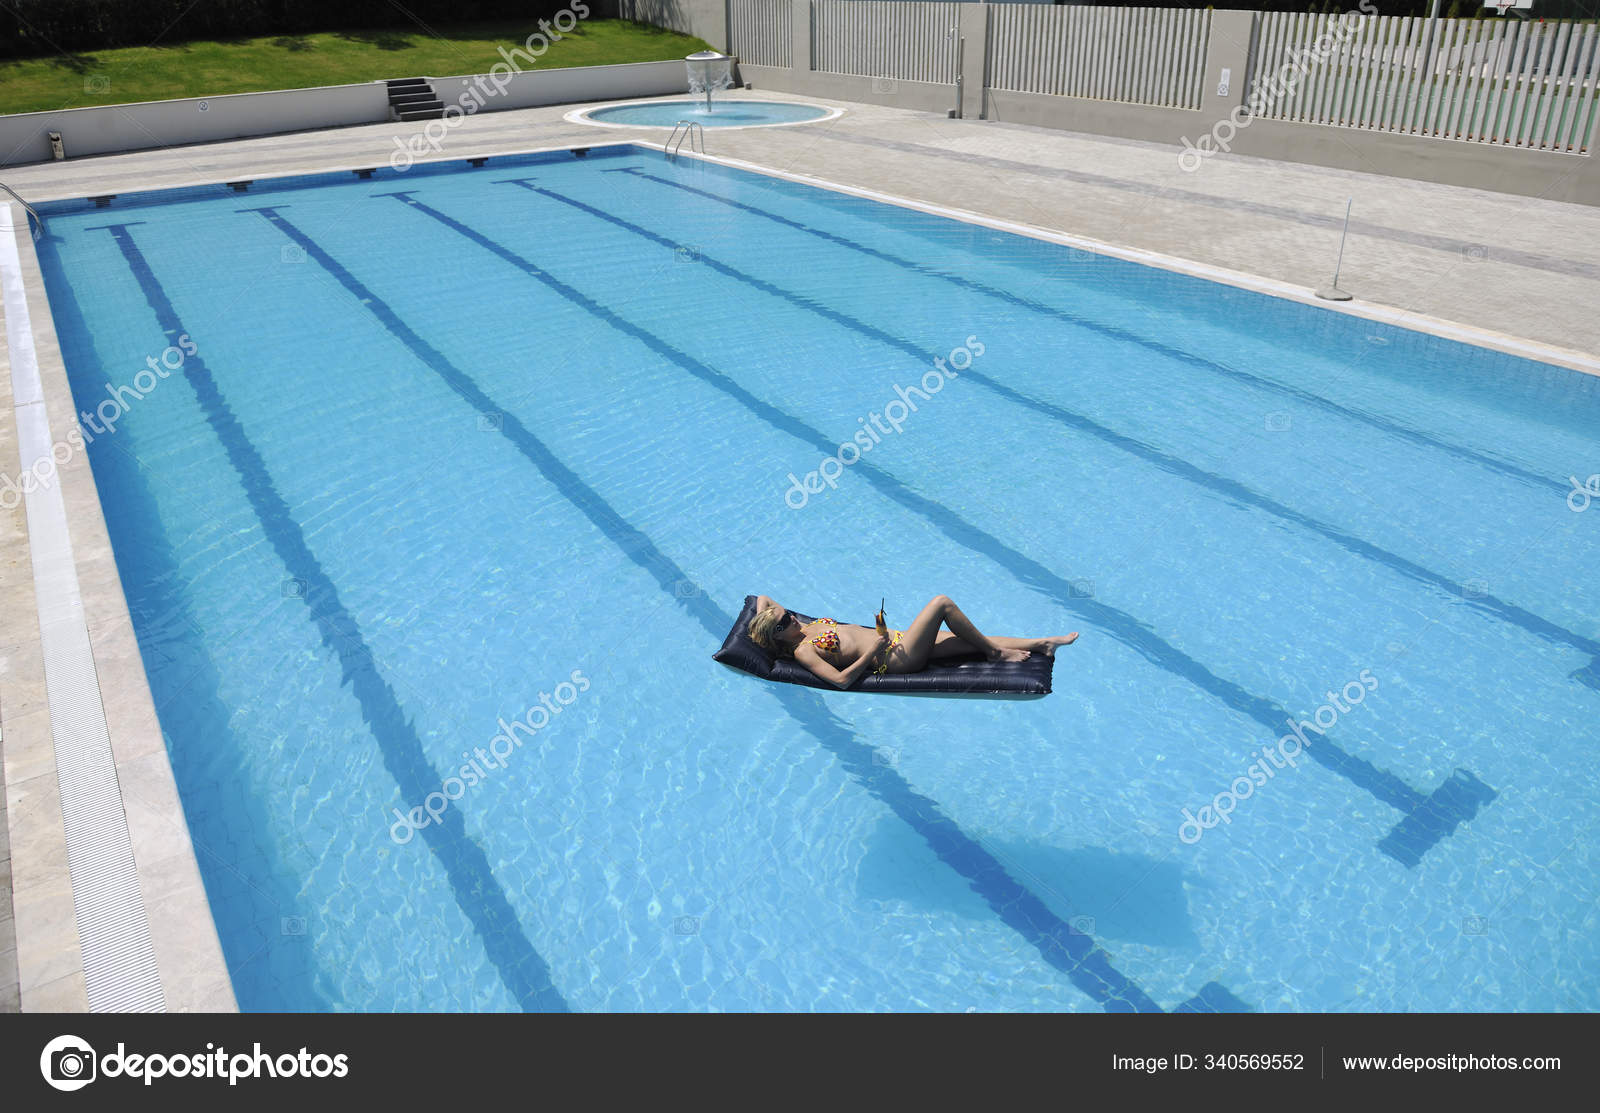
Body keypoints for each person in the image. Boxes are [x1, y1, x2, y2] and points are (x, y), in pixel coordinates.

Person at [747, 594, 1078, 691]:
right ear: (778, 635)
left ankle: (1043, 644)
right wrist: (871, 655)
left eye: (787, 615)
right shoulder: (803, 650)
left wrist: (757, 625)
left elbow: (762, 598)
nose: (790, 616)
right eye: (783, 621)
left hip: (900, 640)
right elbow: (841, 681)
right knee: (941, 604)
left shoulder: (799, 626)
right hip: (896, 659)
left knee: (969, 640)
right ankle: (995, 654)